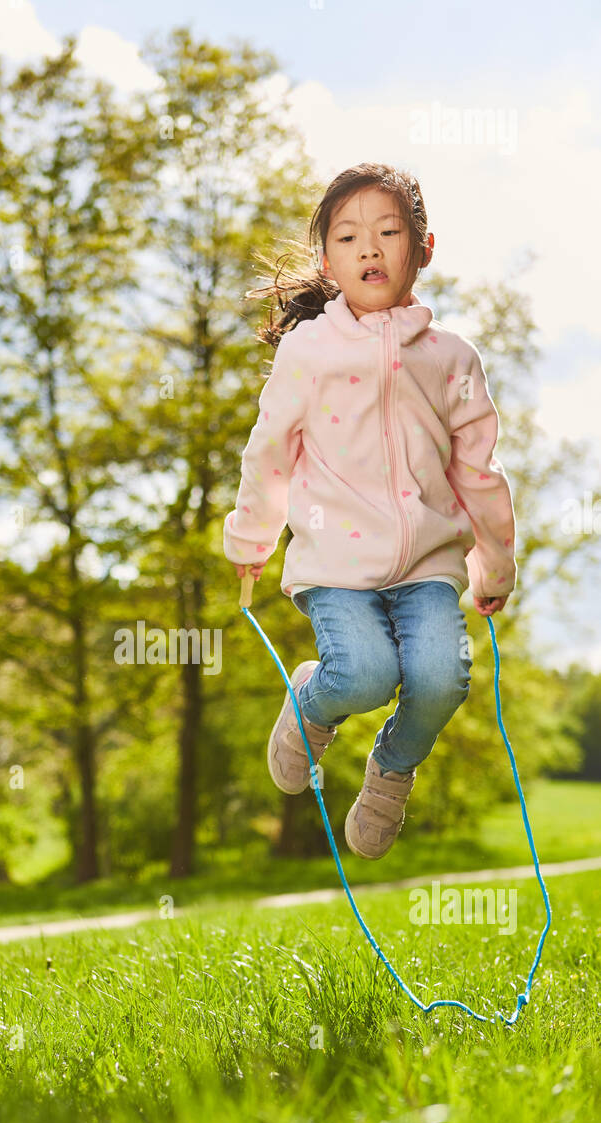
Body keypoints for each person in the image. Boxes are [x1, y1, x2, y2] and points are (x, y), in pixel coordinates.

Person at [224, 163, 517, 859]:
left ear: (424, 247)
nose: (371, 249)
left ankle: (390, 771)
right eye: (350, 237)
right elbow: (271, 450)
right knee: (364, 675)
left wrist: (494, 562)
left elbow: (476, 470)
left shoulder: (451, 359)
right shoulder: (309, 350)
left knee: (441, 679)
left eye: (389, 232)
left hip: (426, 567)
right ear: (328, 261)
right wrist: (251, 537)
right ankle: (310, 701)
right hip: (336, 565)